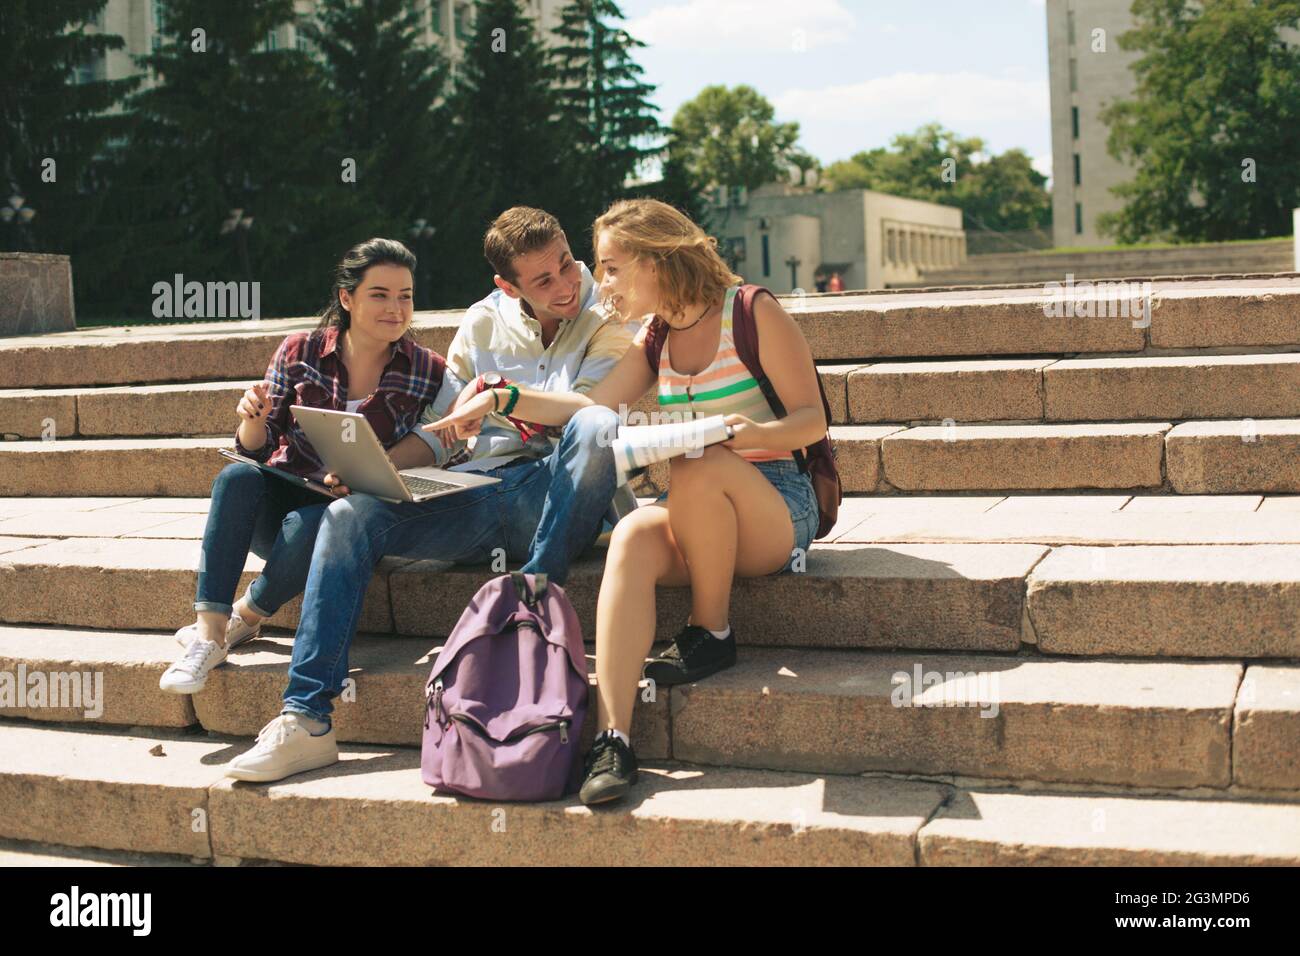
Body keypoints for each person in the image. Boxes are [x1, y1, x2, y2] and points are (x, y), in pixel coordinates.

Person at [426, 198, 825, 806]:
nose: (598, 283)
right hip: (698, 508)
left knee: (699, 458)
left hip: (776, 505)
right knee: (635, 536)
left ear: (657, 258)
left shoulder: (751, 310)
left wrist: (751, 434)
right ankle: (614, 738)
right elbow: (588, 411)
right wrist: (501, 398)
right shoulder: (654, 335)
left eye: (610, 268)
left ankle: (710, 630)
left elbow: (811, 422)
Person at [223, 206, 636, 783]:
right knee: (348, 514)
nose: (566, 284)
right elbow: (443, 430)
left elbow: (591, 415)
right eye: (543, 280)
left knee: (593, 428)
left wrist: (503, 400)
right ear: (507, 285)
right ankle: (307, 720)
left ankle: (533, 592)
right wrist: (379, 470)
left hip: (557, 492)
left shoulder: (606, 317)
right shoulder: (483, 322)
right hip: (478, 489)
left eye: (567, 264)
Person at [159, 238, 462, 697]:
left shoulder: (426, 369)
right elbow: (254, 451)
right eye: (380, 294)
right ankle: (209, 634)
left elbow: (449, 445)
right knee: (236, 476)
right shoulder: (300, 350)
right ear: (347, 298)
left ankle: (249, 616)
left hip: (349, 516)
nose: (396, 309)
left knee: (316, 522)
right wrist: (251, 421)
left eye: (406, 296)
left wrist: (382, 471)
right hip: (282, 497)